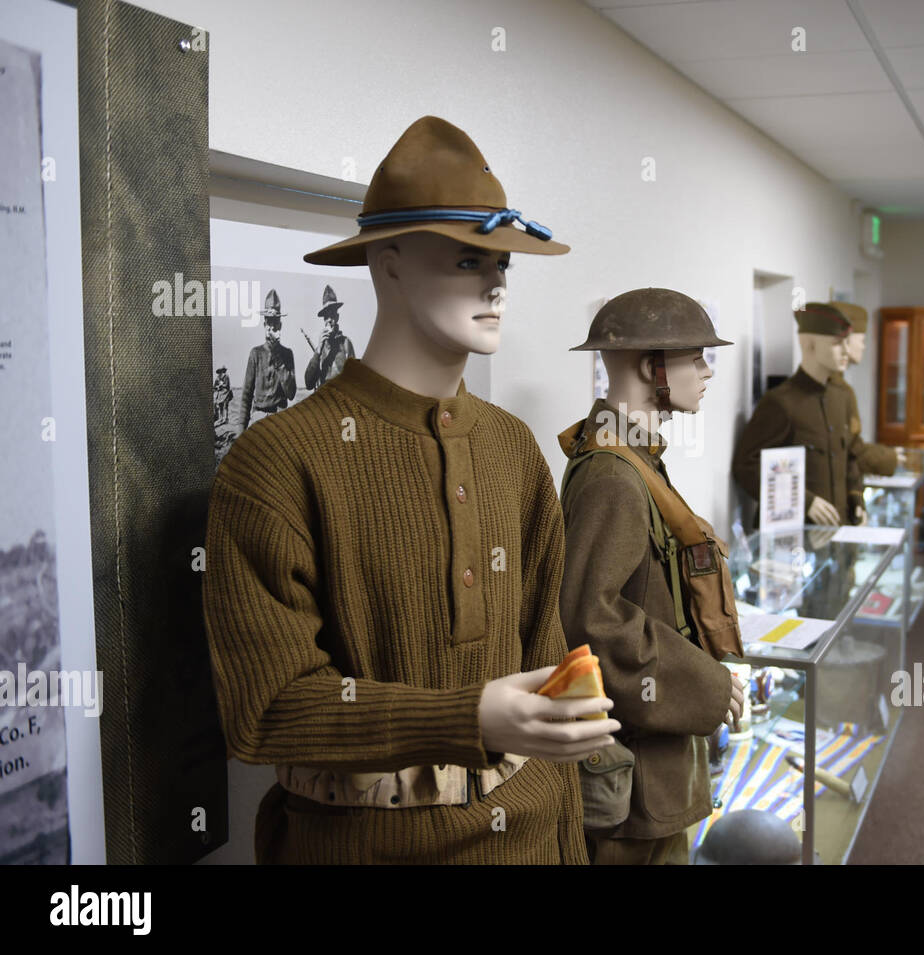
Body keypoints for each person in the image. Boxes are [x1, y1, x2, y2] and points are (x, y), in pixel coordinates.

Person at [202, 116, 616, 864]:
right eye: (467, 259)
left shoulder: (514, 448)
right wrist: (471, 715)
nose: (495, 281)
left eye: (503, 263)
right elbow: (265, 710)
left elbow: (549, 663)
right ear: (387, 264)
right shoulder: (275, 463)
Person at [558, 288, 744, 865]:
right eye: (695, 357)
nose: (706, 370)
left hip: (654, 766)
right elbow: (591, 622)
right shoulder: (613, 477)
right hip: (634, 785)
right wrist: (710, 685)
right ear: (650, 366)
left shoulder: (634, 458)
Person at [732, 303, 861, 526]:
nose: (846, 352)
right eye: (837, 344)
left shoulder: (843, 398)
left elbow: (850, 456)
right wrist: (804, 501)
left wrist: (856, 499)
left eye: (847, 344)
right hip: (793, 538)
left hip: (839, 533)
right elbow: (746, 466)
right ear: (809, 344)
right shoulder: (781, 402)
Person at [825, 301, 899, 521]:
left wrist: (856, 496)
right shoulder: (835, 391)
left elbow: (849, 451)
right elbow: (851, 450)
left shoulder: (843, 389)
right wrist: (890, 458)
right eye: (862, 340)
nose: (864, 346)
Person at [238, 290, 297, 431]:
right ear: (264, 325)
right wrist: (240, 432)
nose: (272, 327)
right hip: (258, 419)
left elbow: (291, 393)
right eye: (269, 323)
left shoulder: (287, 354)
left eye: (275, 323)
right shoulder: (256, 353)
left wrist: (277, 355)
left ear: (280, 326)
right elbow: (246, 396)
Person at [304, 285, 356, 391]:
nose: (329, 320)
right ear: (324, 320)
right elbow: (309, 384)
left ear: (337, 317)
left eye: (332, 315)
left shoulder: (346, 344)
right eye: (326, 317)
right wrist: (318, 352)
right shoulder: (320, 348)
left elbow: (355, 381)